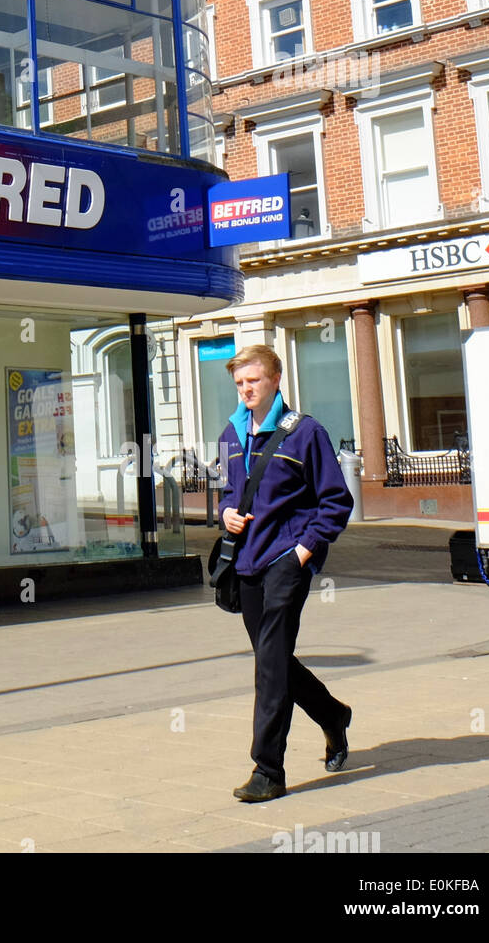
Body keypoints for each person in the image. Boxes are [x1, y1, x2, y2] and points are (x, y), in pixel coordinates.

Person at [218, 344, 353, 803]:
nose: (246, 390)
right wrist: (225, 515)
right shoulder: (230, 435)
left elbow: (336, 500)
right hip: (246, 564)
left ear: (276, 379)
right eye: (239, 383)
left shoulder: (305, 433)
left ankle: (268, 769)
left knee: (269, 667)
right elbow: (226, 492)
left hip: (286, 562)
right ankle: (332, 715)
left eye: (253, 380)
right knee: (273, 661)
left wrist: (304, 551)